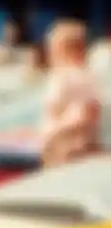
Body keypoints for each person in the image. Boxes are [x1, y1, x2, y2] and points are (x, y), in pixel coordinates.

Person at [40, 19, 102, 167]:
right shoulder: (85, 77)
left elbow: (83, 114)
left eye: (53, 49)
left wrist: (52, 133)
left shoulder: (72, 78)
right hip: (68, 146)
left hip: (67, 148)